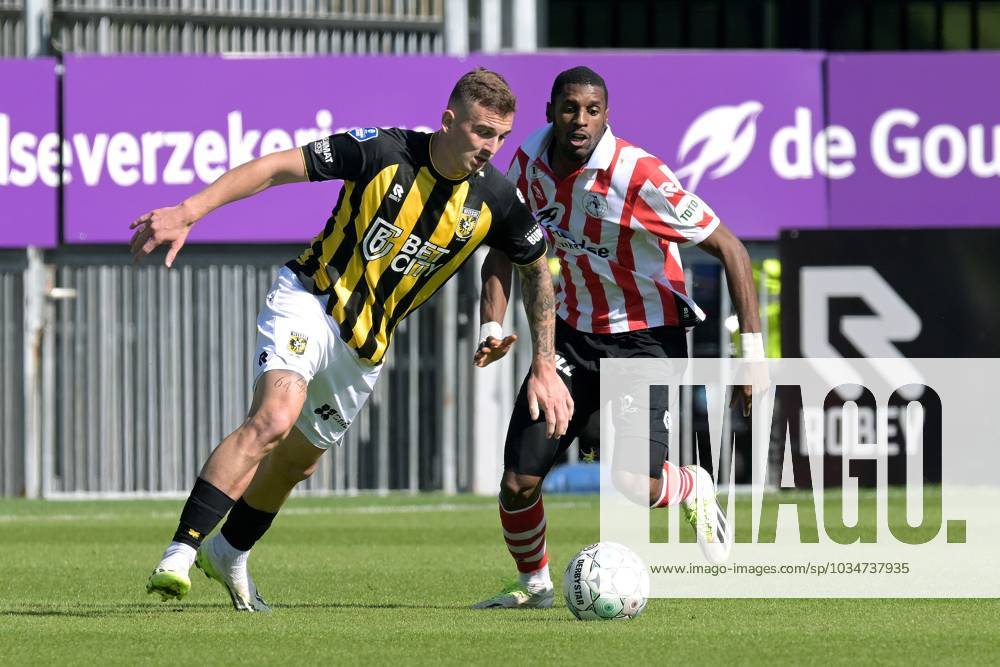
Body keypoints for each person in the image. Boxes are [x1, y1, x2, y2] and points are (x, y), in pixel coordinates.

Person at [131, 68, 573, 612]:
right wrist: (189, 211)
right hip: (312, 299)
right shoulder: (381, 150)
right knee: (273, 419)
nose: (491, 147)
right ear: (448, 120)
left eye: (501, 137)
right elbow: (276, 167)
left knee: (298, 463)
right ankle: (179, 553)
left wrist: (531, 353)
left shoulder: (496, 199)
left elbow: (533, 266)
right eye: (482, 131)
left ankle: (228, 551)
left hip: (366, 346)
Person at [470, 66, 763, 609]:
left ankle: (691, 485)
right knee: (517, 482)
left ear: (606, 115)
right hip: (573, 336)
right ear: (551, 112)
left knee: (634, 484)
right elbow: (507, 247)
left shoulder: (638, 174)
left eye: (592, 110)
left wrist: (752, 357)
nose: (580, 120)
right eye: (569, 109)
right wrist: (493, 323)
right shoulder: (528, 163)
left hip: (647, 338)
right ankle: (534, 584)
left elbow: (732, 249)